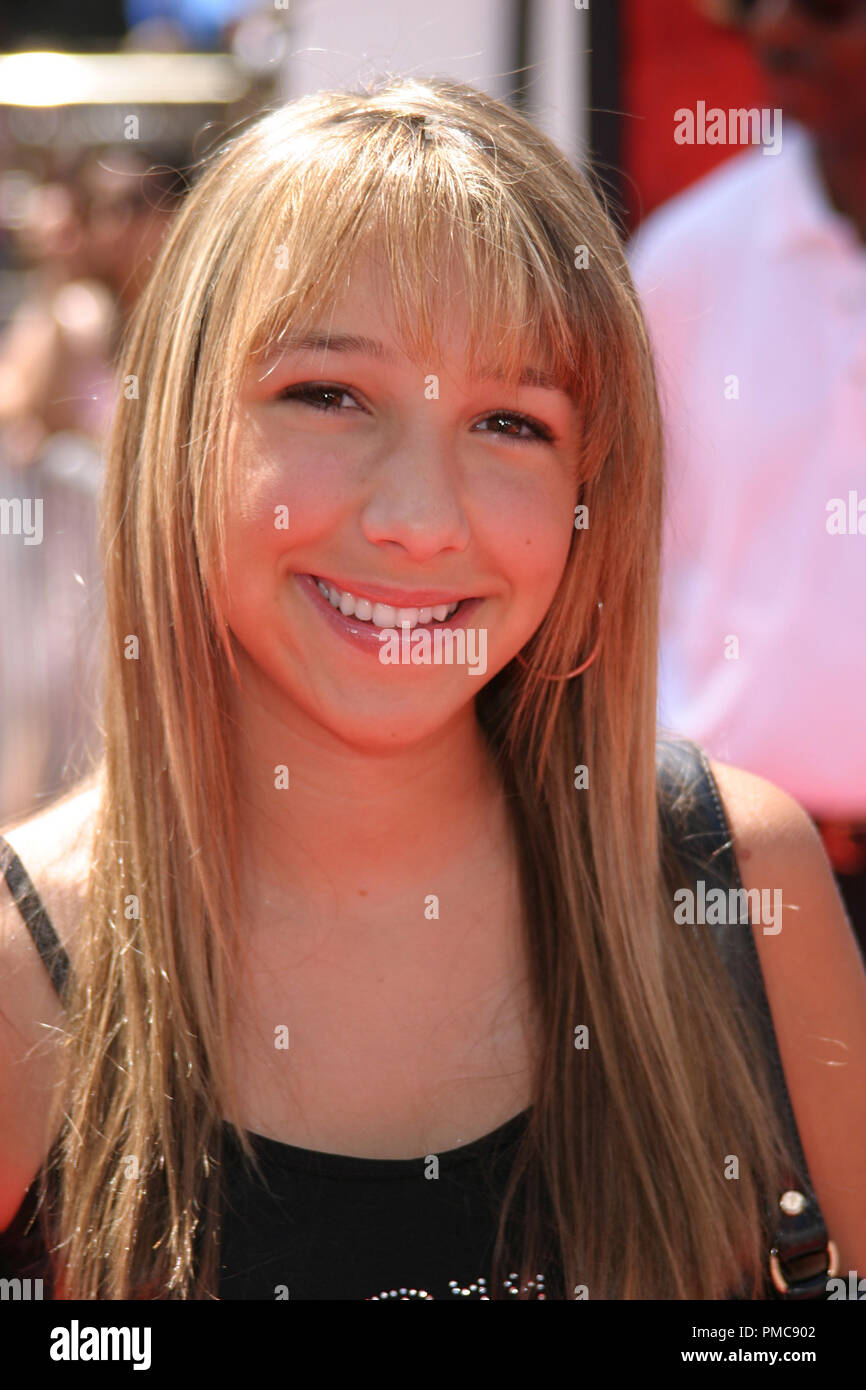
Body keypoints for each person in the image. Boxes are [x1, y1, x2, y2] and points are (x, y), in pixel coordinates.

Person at [0, 76, 864, 1302]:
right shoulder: (19, 973)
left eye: (509, 422)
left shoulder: (736, 881)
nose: (418, 517)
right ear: (177, 432)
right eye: (328, 396)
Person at [629, 0, 866, 958]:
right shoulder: (687, 262)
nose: (774, 32)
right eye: (755, 3)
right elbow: (624, 566)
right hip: (723, 874)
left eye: (825, 7)